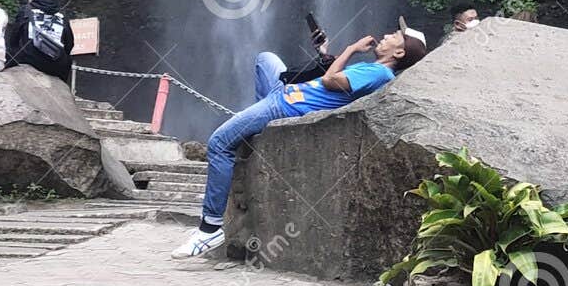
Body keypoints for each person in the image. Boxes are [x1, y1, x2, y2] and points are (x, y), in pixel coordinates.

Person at [172, 18, 428, 260]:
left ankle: (210, 228)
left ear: (399, 53)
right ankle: (255, 127)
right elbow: (329, 78)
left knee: (219, 144)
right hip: (282, 93)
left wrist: (351, 49)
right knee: (265, 60)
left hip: (283, 106)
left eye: (395, 36)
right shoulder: (373, 70)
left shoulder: (379, 74)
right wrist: (326, 53)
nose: (386, 35)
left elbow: (329, 81)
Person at [5, 0, 75, 83]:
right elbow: (69, 44)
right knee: (67, 60)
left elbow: (13, 39)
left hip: (29, 59)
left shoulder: (26, 10)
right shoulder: (62, 16)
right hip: (56, 64)